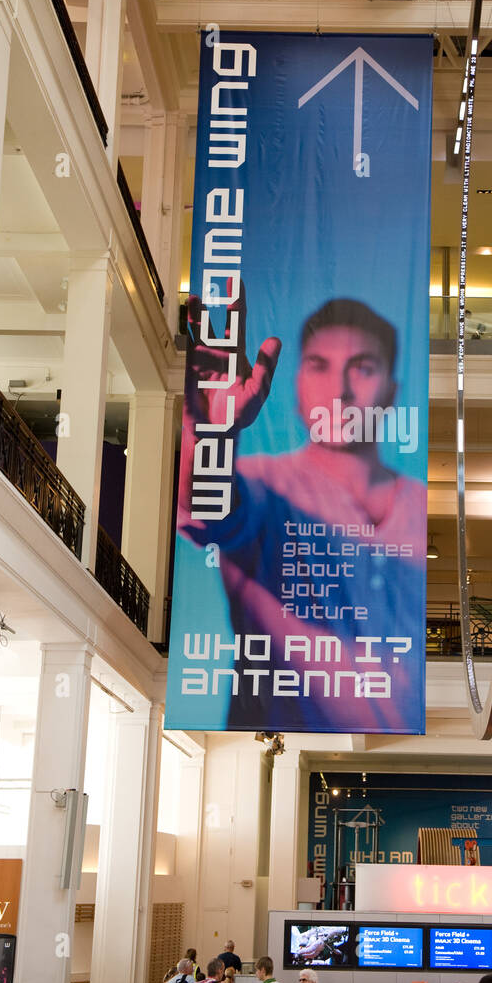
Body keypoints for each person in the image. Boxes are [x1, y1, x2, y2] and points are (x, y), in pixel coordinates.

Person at [179, 292, 426, 732]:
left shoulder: (420, 505)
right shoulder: (265, 486)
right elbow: (210, 508)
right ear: (295, 387)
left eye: (363, 368)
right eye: (319, 365)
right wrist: (214, 435)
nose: (340, 390)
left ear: (392, 392)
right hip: (277, 749)